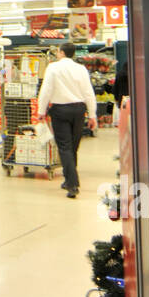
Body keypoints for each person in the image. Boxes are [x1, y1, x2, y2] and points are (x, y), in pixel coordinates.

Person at [37, 42, 98, 199]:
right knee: (73, 146)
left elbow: (46, 90)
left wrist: (41, 111)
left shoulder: (53, 68)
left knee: (64, 147)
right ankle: (68, 179)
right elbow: (88, 92)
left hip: (60, 110)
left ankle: (72, 184)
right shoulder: (81, 69)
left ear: (62, 53)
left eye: (58, 51)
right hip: (79, 110)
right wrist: (92, 115)